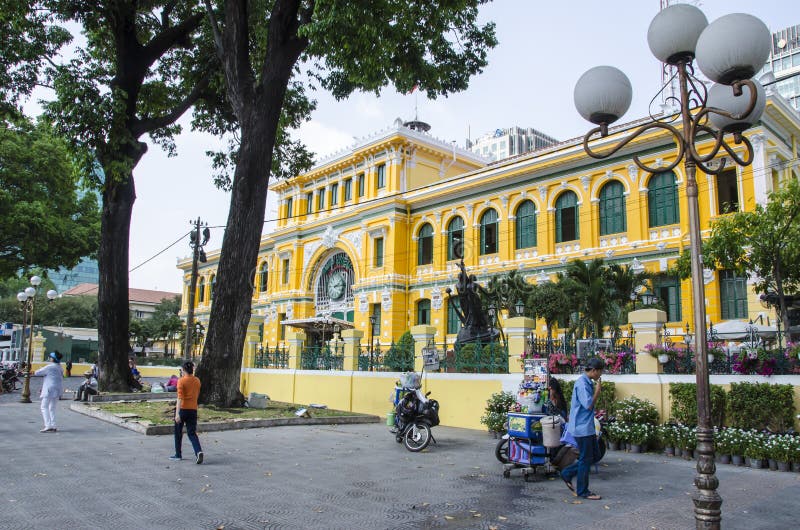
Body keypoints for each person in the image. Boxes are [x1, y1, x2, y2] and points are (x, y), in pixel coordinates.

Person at [560, 357, 605, 500]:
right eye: (600, 372)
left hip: (587, 426)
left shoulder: (586, 382)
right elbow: (588, 405)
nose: (600, 375)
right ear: (593, 370)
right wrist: (597, 392)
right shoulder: (582, 384)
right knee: (586, 459)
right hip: (581, 427)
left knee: (595, 455)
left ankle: (567, 472)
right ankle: (583, 491)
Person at [170, 361, 203, 464]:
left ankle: (178, 454)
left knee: (178, 432)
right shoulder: (197, 380)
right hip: (193, 409)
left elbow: (180, 398)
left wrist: (177, 414)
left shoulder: (181, 381)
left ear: (183, 370)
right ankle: (198, 451)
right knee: (192, 433)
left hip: (183, 409)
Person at [33, 351, 64, 432]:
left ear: (53, 359)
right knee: (52, 408)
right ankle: (53, 425)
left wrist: (40, 368)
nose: (49, 358)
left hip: (49, 389)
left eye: (50, 357)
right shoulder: (60, 367)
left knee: (44, 407)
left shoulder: (50, 367)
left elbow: (37, 373)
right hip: (57, 389)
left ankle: (48, 425)